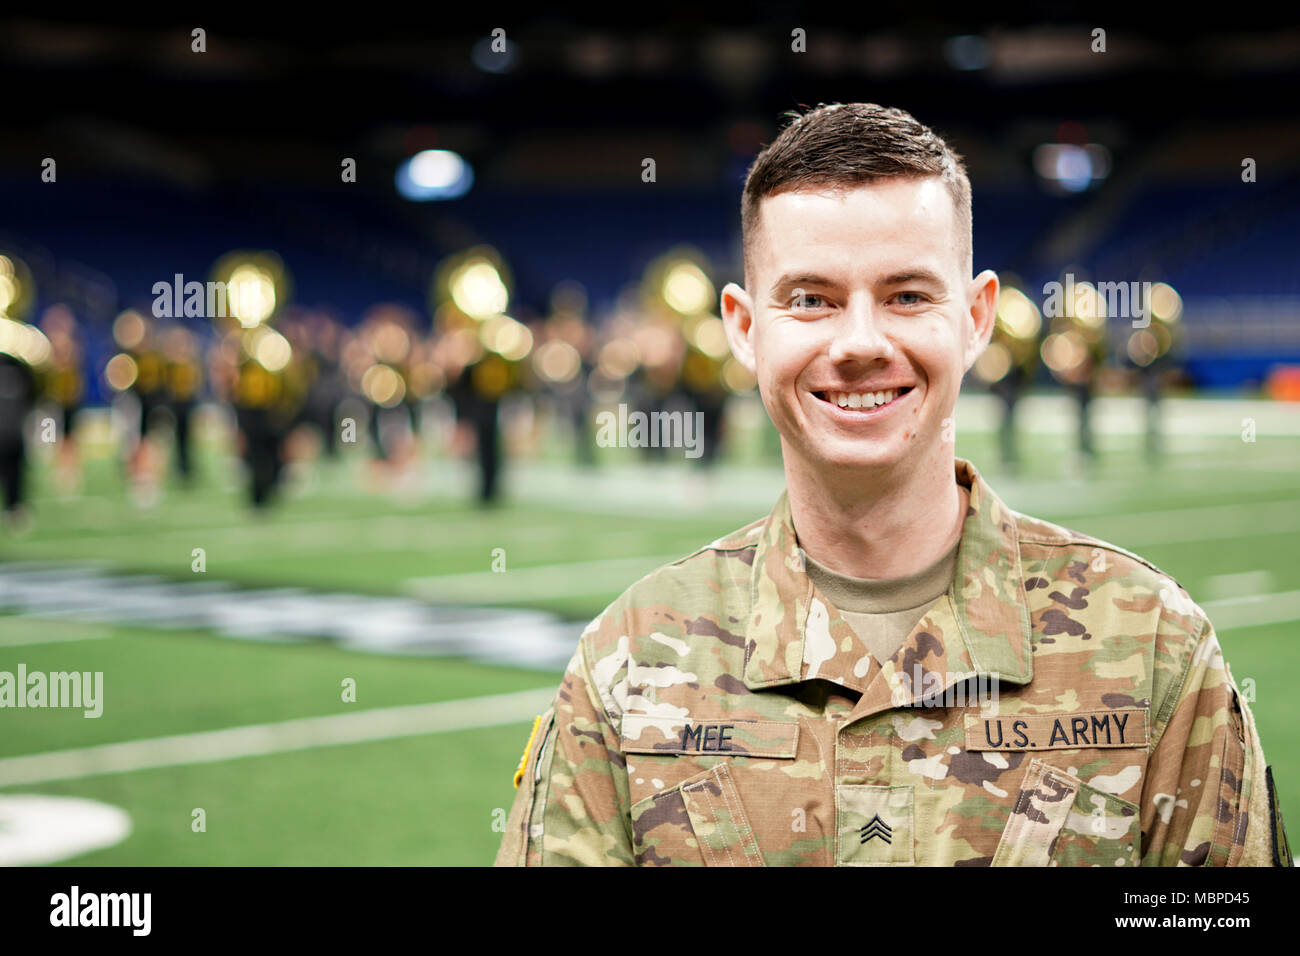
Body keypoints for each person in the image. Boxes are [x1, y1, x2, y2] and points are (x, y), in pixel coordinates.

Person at [495, 103, 1290, 867]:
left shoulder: (1154, 644)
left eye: (908, 295)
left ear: (977, 318)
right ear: (743, 328)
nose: (861, 342)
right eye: (811, 300)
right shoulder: (625, 660)